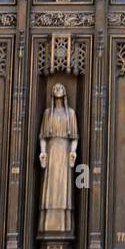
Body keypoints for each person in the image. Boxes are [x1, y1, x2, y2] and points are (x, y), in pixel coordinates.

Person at [38, 82, 79, 236]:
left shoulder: (71, 113)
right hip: (52, 150)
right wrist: (43, 152)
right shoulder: (48, 113)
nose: (57, 89)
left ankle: (64, 224)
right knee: (50, 187)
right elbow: (43, 136)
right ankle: (48, 225)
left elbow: (75, 137)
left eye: (60, 87)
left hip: (64, 151)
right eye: (54, 88)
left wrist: (73, 152)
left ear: (65, 91)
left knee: (63, 186)